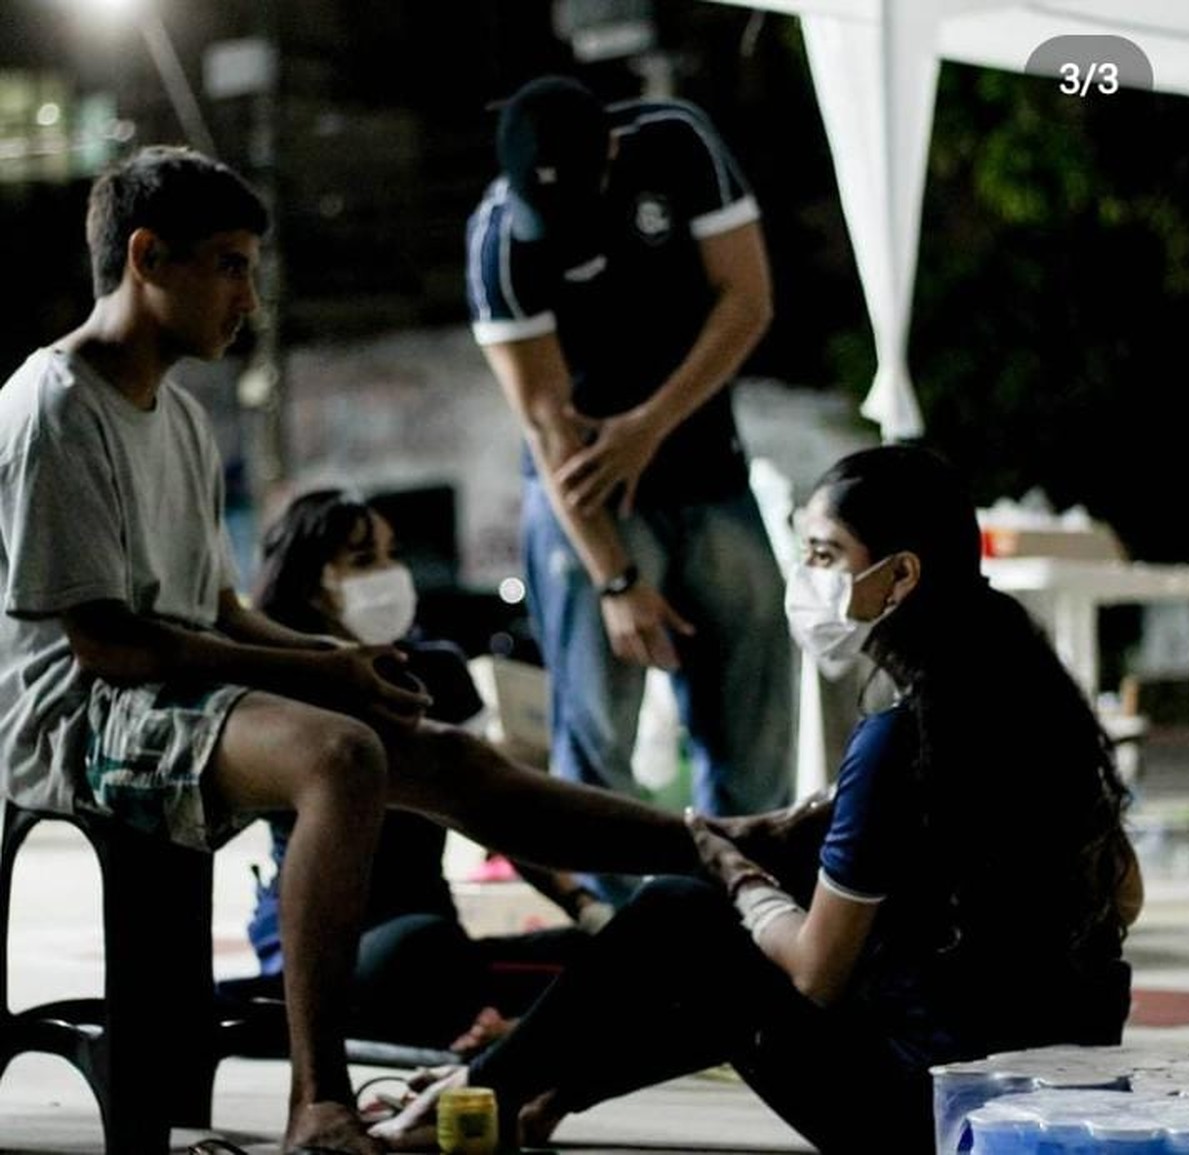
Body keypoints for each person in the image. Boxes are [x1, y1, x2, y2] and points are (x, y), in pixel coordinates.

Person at [0, 145, 699, 1155]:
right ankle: (317, 1103)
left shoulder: (184, 419)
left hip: (173, 693)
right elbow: (107, 642)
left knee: (444, 749)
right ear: (149, 257)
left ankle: (715, 843)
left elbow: (224, 613)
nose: (249, 295)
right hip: (78, 719)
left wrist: (349, 664)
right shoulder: (56, 405)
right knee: (340, 754)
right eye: (231, 264)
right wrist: (317, 676)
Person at [374, 445, 1142, 1155]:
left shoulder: (899, 738)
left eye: (823, 555)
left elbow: (812, 974)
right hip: (1057, 1095)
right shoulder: (1042, 708)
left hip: (932, 1119)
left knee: (684, 914)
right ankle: (536, 1093)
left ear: (901, 576)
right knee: (734, 954)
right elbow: (1126, 896)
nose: (804, 577)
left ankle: (479, 1096)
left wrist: (741, 880)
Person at [465, 75, 796, 901]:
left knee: (751, 725)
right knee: (597, 737)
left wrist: (651, 421)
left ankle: (745, 911)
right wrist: (615, 577)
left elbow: (748, 299)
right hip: (585, 493)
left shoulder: (676, 144)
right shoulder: (501, 240)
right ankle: (623, 930)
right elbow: (547, 426)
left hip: (707, 468)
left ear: (609, 152)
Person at [229, 488, 613, 1053]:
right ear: (311, 581)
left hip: (431, 936)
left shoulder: (437, 672)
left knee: (612, 951)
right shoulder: (288, 680)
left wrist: (585, 906)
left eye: (391, 555)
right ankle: (489, 1024)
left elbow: (501, 812)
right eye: (363, 561)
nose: (388, 574)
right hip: (333, 948)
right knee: (421, 953)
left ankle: (487, 1023)